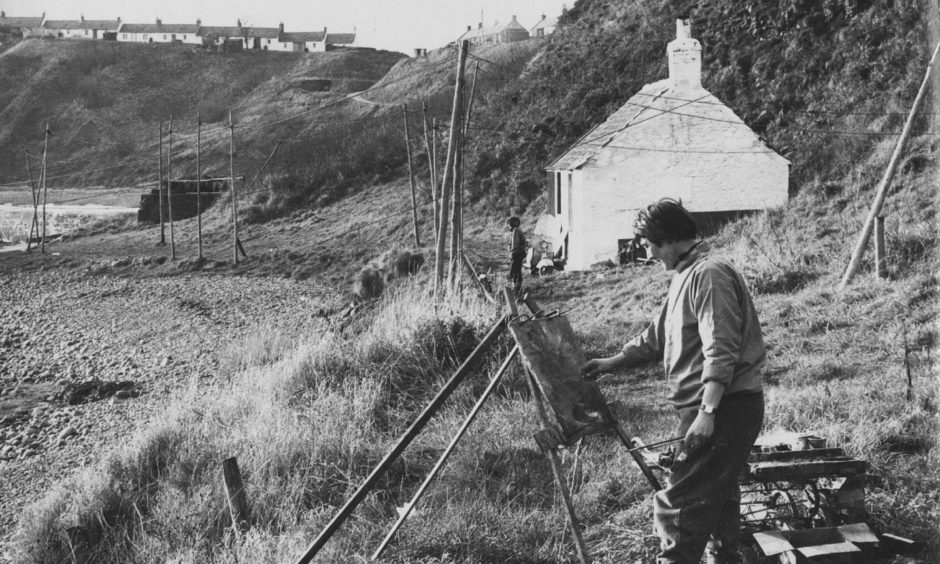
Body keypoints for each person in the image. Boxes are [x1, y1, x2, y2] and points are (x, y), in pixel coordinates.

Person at [581, 199, 766, 564]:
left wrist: (708, 412)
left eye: (649, 245)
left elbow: (722, 348)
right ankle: (724, 558)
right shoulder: (687, 273)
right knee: (716, 497)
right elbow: (658, 335)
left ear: (668, 240)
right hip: (707, 407)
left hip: (725, 407)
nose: (648, 254)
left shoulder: (710, 274)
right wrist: (611, 362)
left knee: (679, 502)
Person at [507, 216, 526, 298]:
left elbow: (515, 245)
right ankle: (517, 291)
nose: (508, 226)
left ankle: (516, 292)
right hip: (518, 254)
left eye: (508, 224)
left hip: (517, 254)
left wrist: (512, 255)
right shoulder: (517, 231)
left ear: (512, 224)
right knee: (517, 273)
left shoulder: (515, 231)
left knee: (515, 273)